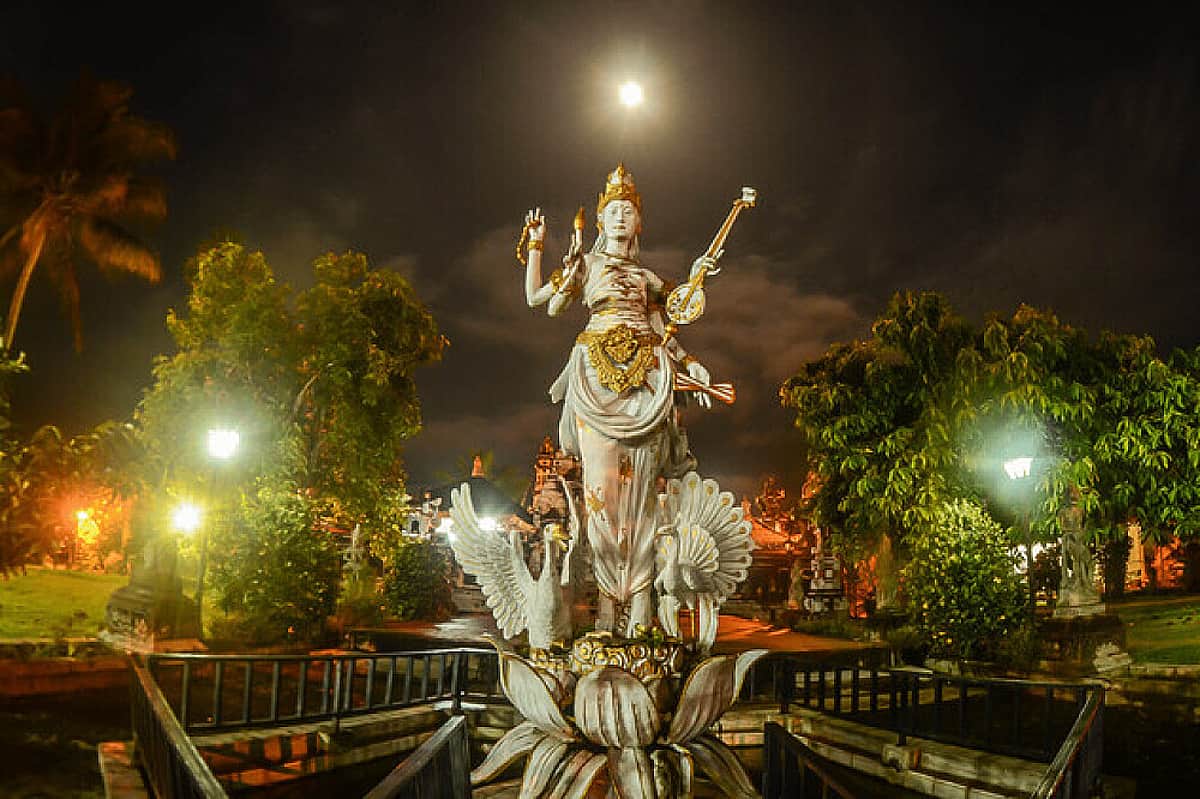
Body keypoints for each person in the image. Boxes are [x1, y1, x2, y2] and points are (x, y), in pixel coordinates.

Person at [522, 164, 715, 635]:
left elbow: (661, 330)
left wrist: (690, 363)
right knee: (602, 499)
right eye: (614, 210)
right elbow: (537, 300)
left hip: (646, 381)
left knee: (644, 501)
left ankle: (643, 615)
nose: (623, 217)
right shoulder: (584, 265)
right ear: (602, 220)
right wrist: (536, 247)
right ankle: (608, 614)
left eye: (630, 210)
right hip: (595, 376)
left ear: (639, 222)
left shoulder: (649, 279)